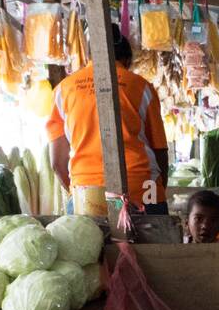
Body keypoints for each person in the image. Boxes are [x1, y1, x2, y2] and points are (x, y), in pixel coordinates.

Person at [48, 24, 170, 214]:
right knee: (152, 243)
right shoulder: (142, 87)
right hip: (142, 187)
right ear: (127, 59)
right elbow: (160, 151)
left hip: (85, 192)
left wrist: (77, 193)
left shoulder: (63, 90)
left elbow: (57, 163)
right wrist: (156, 190)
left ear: (89, 56)